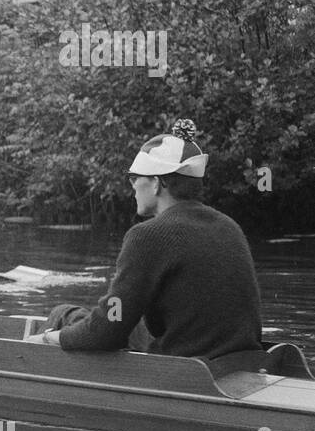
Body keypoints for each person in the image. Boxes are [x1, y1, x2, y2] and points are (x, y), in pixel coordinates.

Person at [28, 119, 262, 358]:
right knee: (86, 318)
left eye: (134, 178)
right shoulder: (229, 226)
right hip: (242, 359)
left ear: (157, 184)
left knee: (62, 314)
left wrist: (49, 337)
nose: (132, 186)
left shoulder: (148, 235)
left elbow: (106, 332)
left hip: (186, 368)